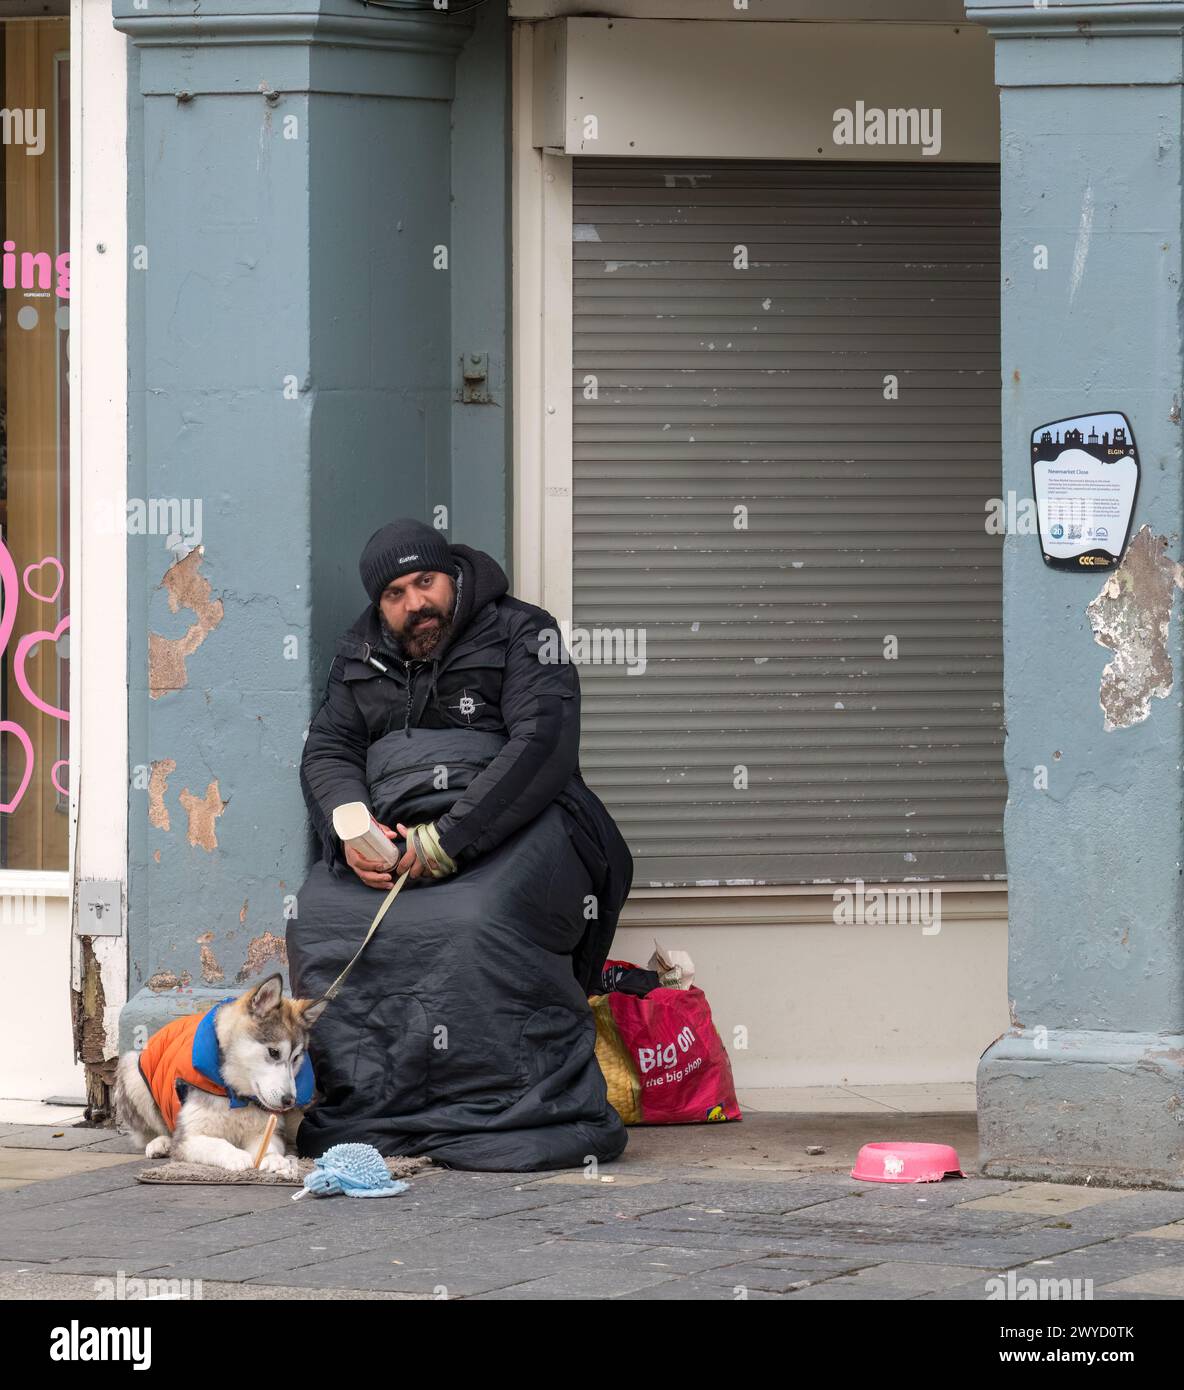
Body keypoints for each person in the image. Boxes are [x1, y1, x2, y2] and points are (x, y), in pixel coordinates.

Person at [289, 518, 633, 1170]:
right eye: (395, 593)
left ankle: (514, 1113)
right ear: (379, 606)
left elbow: (542, 744)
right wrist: (352, 828)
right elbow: (329, 749)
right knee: (319, 917)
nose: (415, 602)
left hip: (522, 829)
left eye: (425, 581)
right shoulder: (358, 655)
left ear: (454, 576)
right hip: (397, 840)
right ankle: (373, 1114)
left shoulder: (525, 632)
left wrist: (451, 839)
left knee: (474, 921)